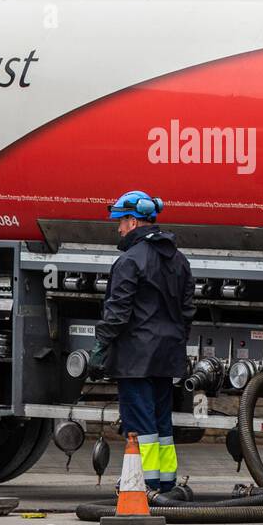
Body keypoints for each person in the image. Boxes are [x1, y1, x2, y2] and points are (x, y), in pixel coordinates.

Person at [90, 190, 195, 493]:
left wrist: (101, 347)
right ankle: (166, 484)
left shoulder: (129, 261)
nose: (118, 229)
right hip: (166, 357)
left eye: (120, 223)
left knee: (140, 425)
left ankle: (143, 486)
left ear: (133, 222)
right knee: (162, 424)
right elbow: (187, 310)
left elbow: (118, 313)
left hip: (135, 359)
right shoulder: (178, 260)